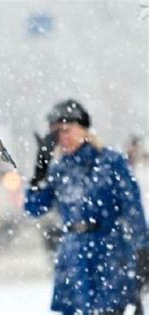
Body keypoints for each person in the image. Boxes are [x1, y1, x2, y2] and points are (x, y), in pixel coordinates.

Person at [24, 99, 148, 315]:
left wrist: (143, 251)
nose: (61, 138)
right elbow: (33, 208)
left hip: (109, 254)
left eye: (66, 130)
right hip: (73, 256)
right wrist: (40, 171)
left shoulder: (111, 162)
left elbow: (133, 209)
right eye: (55, 134)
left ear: (83, 129)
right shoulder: (59, 169)